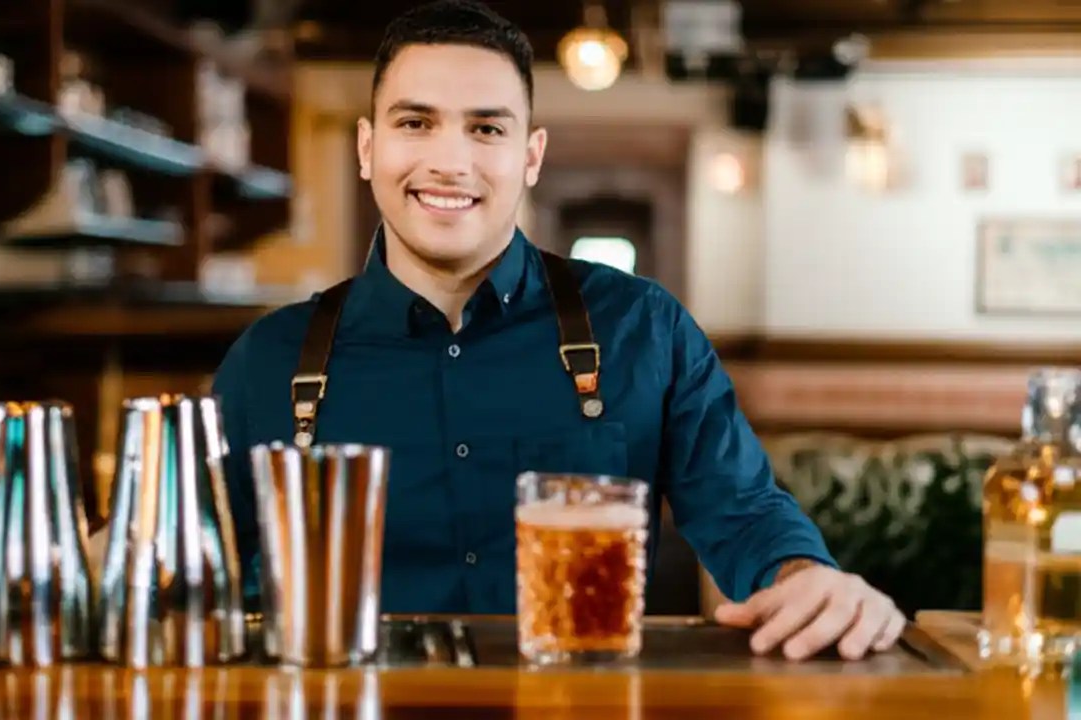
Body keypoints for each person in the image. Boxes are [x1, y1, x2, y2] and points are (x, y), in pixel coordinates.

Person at [212, 0, 904, 662]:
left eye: (486, 128)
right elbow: (193, 568)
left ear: (531, 156)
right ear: (368, 148)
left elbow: (745, 510)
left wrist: (803, 579)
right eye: (415, 123)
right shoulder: (268, 360)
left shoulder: (644, 327)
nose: (450, 161)